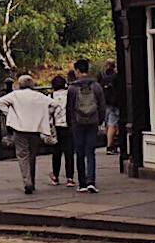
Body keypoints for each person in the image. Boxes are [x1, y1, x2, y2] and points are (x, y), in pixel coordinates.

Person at [0, 74, 54, 194]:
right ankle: (31, 179)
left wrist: (9, 114)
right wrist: (44, 115)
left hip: (19, 128)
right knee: (32, 155)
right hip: (35, 128)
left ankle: (27, 181)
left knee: (23, 156)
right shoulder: (38, 96)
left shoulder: (15, 95)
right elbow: (54, 104)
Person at [66, 58, 106, 193]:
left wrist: (70, 124)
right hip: (93, 122)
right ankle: (91, 181)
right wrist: (100, 120)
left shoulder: (72, 88)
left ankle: (82, 183)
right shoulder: (96, 86)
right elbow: (102, 106)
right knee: (90, 152)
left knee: (80, 153)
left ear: (77, 71)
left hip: (77, 123)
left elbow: (69, 108)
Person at [48, 74, 74, 187]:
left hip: (56, 127)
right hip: (68, 126)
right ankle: (70, 178)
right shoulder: (70, 94)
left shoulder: (51, 96)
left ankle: (55, 176)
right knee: (69, 153)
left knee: (56, 152)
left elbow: (48, 113)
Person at [101, 60, 122, 155]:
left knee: (108, 124)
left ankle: (110, 143)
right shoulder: (116, 76)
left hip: (105, 102)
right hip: (115, 103)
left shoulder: (102, 76)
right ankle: (110, 146)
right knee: (112, 124)